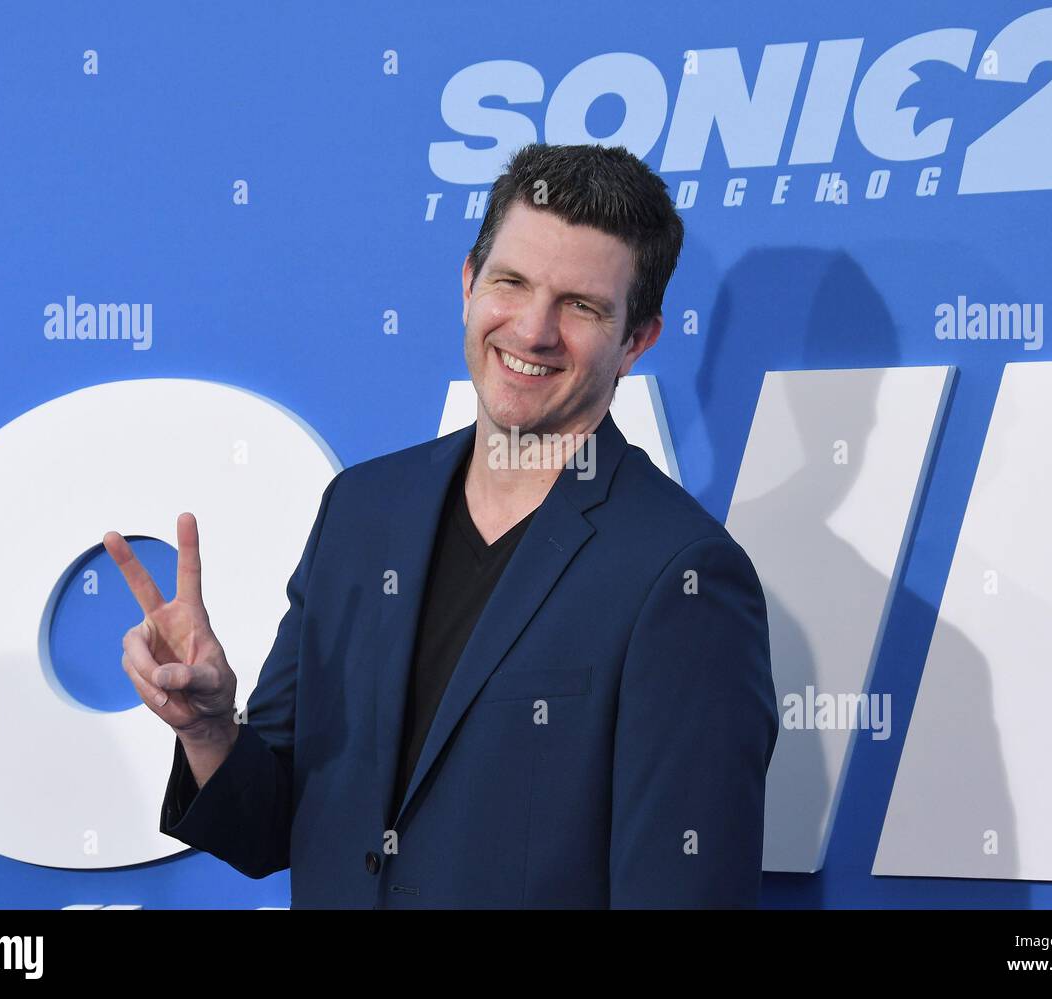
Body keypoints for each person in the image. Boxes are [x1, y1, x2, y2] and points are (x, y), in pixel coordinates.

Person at [106, 142, 778, 908]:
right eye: (511, 282)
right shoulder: (361, 511)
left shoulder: (681, 576)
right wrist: (208, 730)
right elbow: (274, 829)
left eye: (581, 306)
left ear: (638, 339)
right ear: (467, 282)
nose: (532, 330)